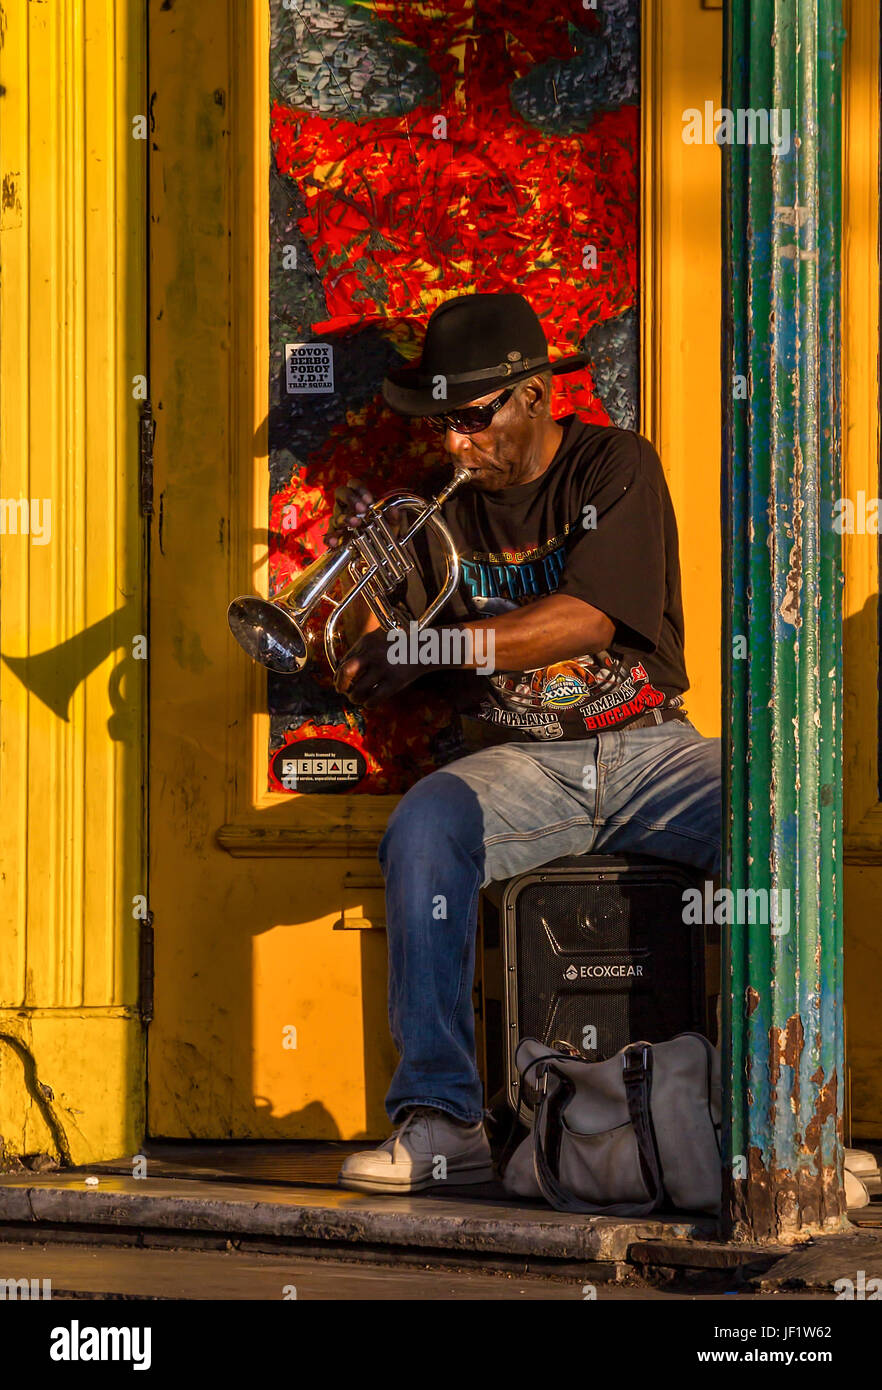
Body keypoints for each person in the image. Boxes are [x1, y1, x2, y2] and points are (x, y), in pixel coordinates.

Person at [327, 292, 721, 1194]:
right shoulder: (437, 513)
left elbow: (587, 619)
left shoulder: (613, 464)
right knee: (424, 828)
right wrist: (364, 619)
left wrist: (431, 648)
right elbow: (377, 654)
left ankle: (784, 1113)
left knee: (772, 817)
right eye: (442, 425)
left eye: (472, 419)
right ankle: (443, 1121)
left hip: (649, 748)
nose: (455, 445)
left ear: (534, 396)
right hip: (522, 763)